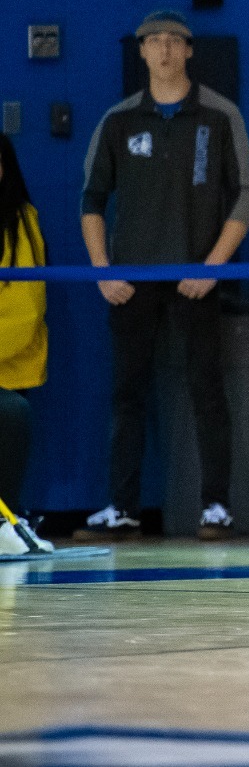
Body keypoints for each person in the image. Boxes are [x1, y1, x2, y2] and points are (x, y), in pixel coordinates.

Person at [77, 9, 249, 542]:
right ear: (139, 53)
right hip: (130, 282)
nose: (162, 49)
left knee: (207, 389)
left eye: (172, 41)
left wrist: (213, 266)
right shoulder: (118, 120)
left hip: (195, 279)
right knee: (127, 393)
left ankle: (216, 507)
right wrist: (102, 273)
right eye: (152, 41)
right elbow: (91, 199)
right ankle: (122, 507)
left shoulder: (220, 115)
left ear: (188, 51)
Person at [0, 134, 50, 554]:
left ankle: (6, 520)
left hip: (9, 365)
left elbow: (26, 306)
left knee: (11, 417)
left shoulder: (20, 222)